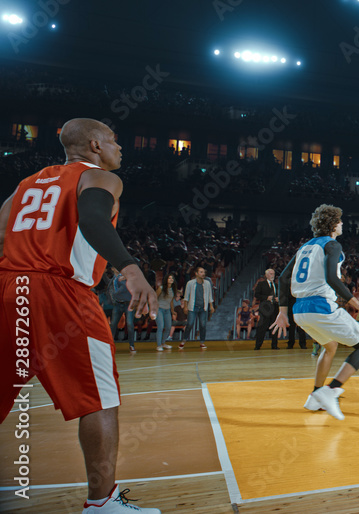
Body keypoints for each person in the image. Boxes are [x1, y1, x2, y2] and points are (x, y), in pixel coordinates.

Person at [0, 118, 160, 512]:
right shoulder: (101, 178)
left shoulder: (27, 184)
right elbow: (91, 219)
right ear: (94, 145)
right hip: (59, 292)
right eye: (114, 140)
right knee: (98, 399)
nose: (119, 148)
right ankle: (102, 504)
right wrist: (131, 268)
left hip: (8, 287)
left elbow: (2, 233)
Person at [270, 204, 359, 420]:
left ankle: (314, 396)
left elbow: (283, 278)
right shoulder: (332, 245)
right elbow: (331, 278)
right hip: (320, 307)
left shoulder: (305, 247)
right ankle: (331, 390)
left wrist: (282, 312)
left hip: (300, 311)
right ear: (332, 224)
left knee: (329, 346)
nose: (342, 224)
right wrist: (357, 304)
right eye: (339, 220)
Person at [182, 266, 213, 349]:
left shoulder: (207, 283)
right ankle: (184, 340)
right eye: (201, 272)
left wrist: (211, 306)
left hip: (203, 307)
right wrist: (185, 307)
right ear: (196, 273)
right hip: (193, 307)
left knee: (203, 325)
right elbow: (186, 296)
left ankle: (202, 342)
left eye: (204, 272)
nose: (203, 274)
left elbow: (210, 295)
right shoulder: (190, 283)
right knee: (189, 324)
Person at [253, 268, 279, 350]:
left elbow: (280, 295)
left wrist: (278, 299)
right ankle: (258, 345)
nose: (272, 275)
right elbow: (257, 294)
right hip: (265, 309)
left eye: (273, 274)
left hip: (275, 308)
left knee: (275, 327)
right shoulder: (261, 284)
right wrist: (266, 297)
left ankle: (274, 345)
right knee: (262, 327)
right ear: (266, 275)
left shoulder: (276, 285)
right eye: (271, 274)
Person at [155, 274, 177, 350]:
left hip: (167, 310)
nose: (171, 279)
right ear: (166, 280)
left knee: (168, 327)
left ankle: (163, 343)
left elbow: (171, 301)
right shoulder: (161, 288)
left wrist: (172, 310)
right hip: (159, 309)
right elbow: (155, 297)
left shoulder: (173, 289)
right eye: (169, 278)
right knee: (160, 327)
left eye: (172, 278)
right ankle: (158, 345)